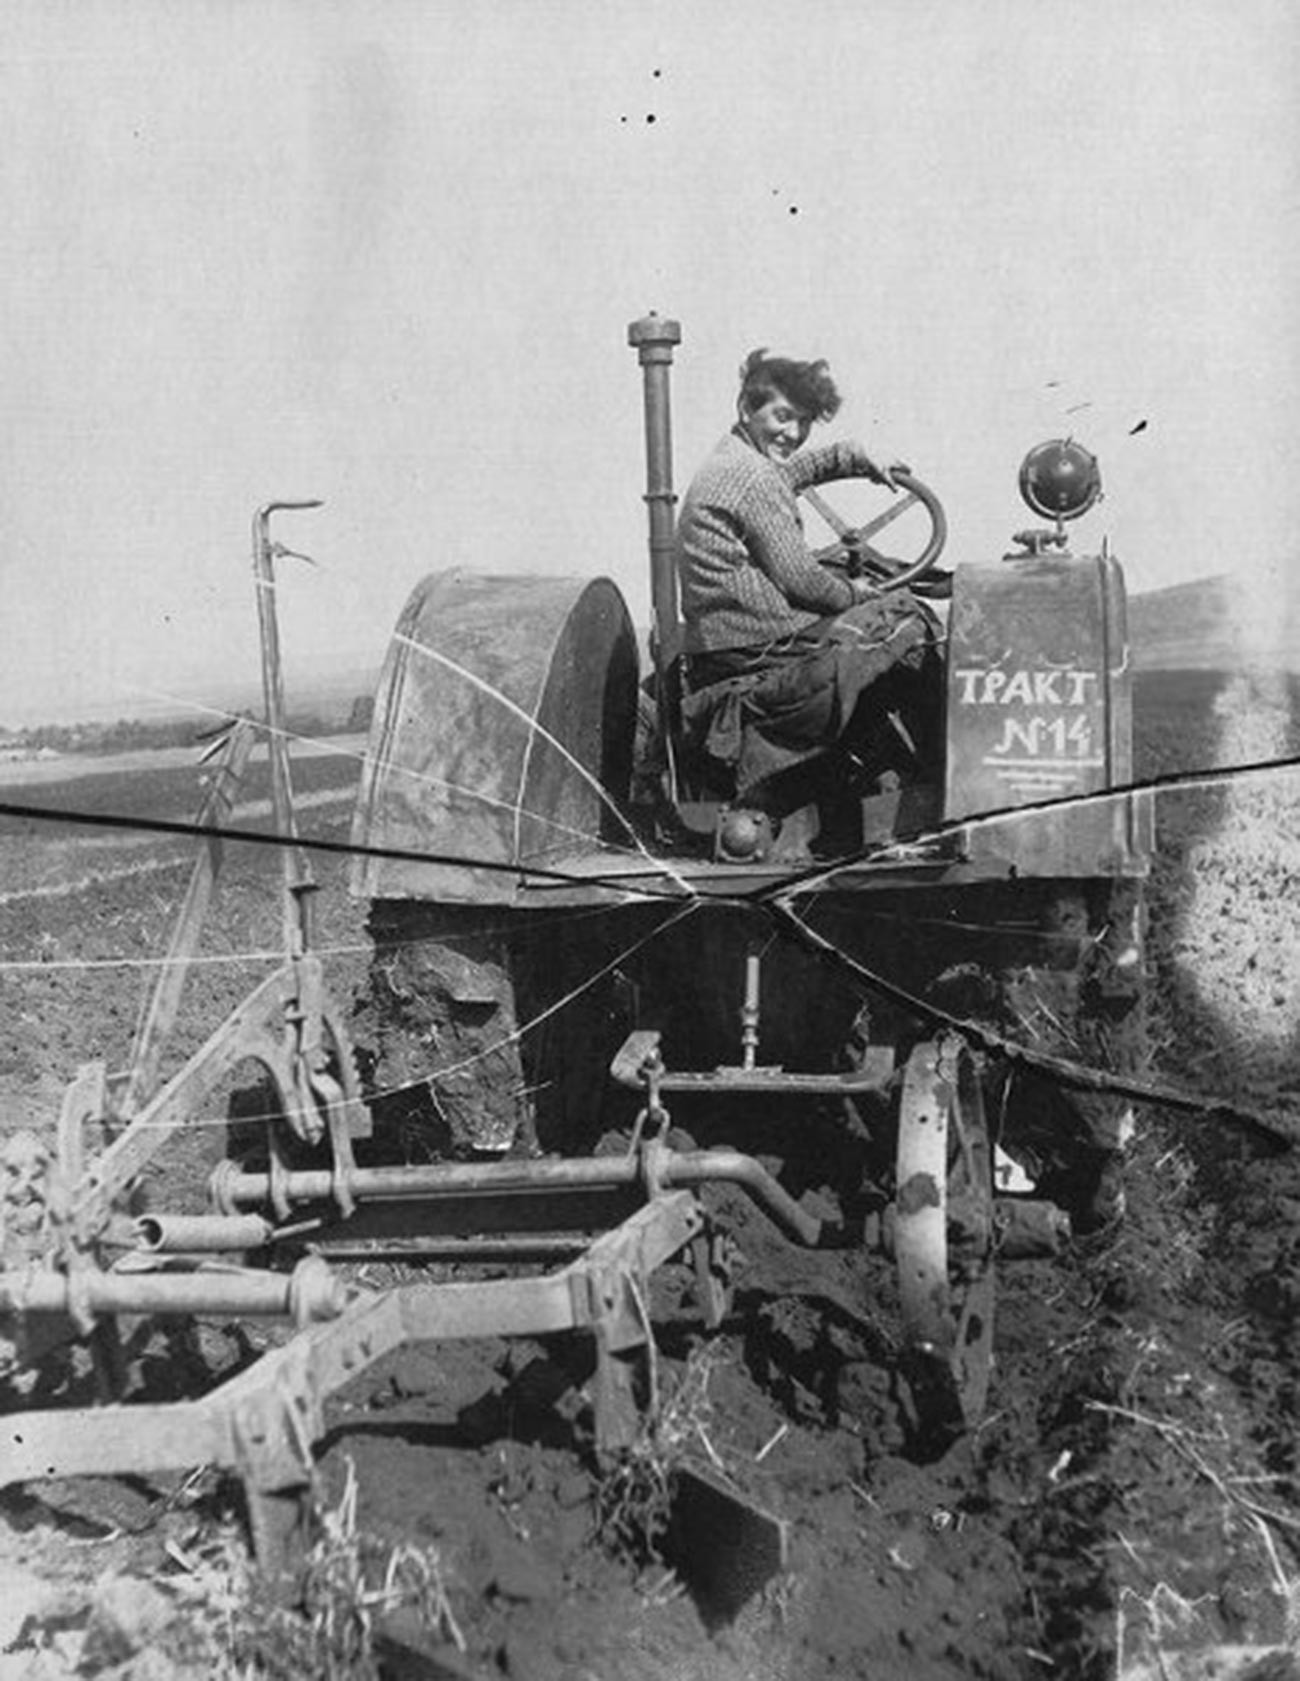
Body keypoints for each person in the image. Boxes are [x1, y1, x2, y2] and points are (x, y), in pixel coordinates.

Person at [673, 347, 942, 838]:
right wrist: (858, 596)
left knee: (879, 608)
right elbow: (800, 580)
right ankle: (933, 780)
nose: (792, 434)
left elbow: (797, 471)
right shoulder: (749, 477)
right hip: (755, 649)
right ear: (745, 409)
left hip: (736, 638)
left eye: (802, 423)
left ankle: (864, 769)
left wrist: (855, 455)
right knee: (909, 622)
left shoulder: (737, 456)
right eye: (781, 417)